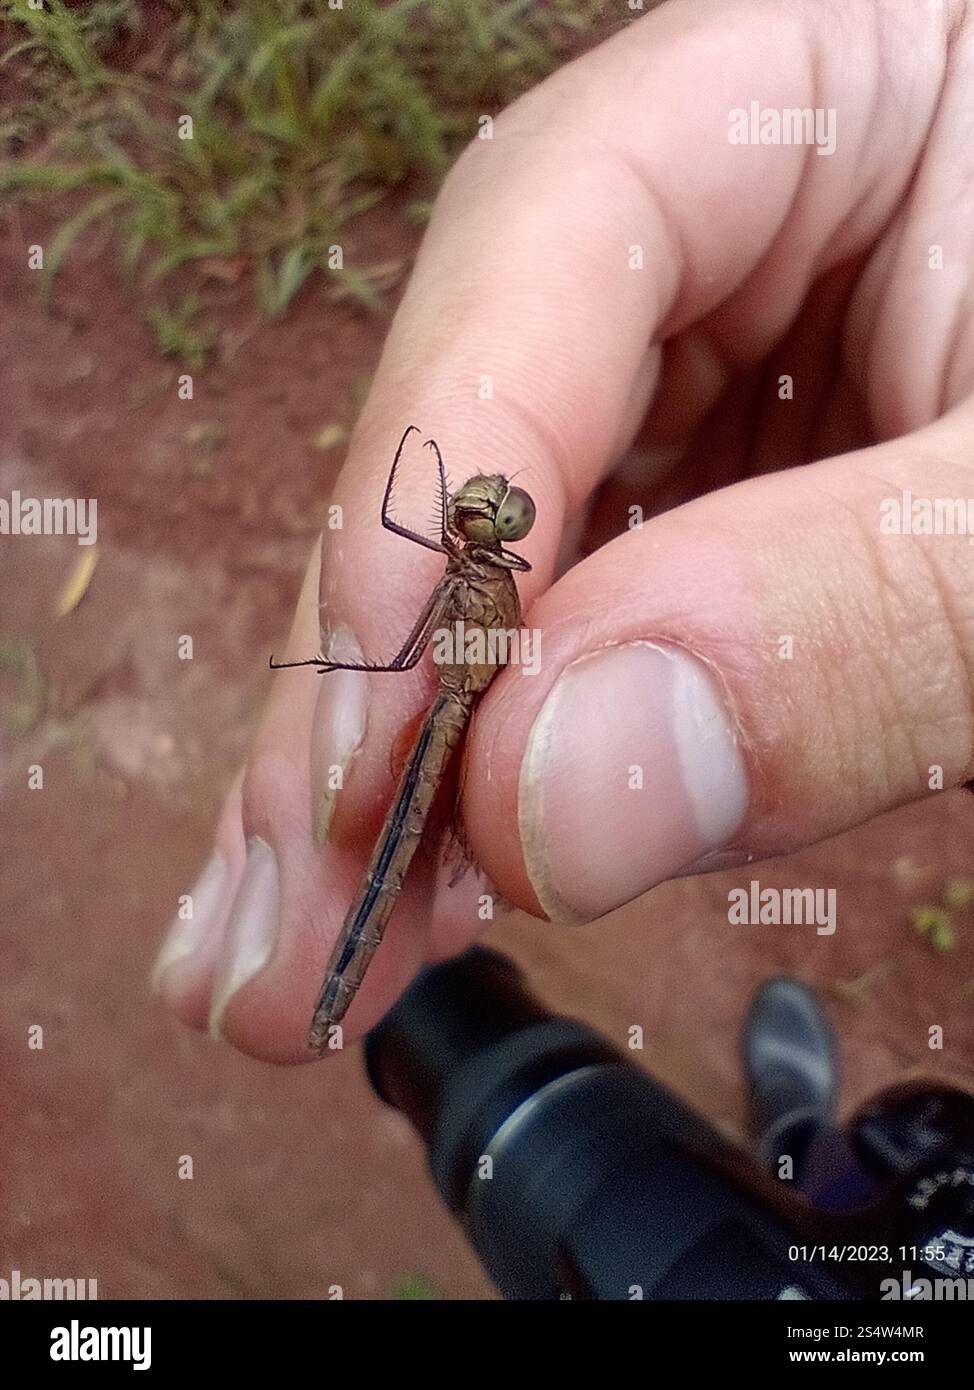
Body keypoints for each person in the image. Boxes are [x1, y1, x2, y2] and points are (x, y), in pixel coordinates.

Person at [152, 0, 974, 1062]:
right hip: (447, 699)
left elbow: (407, 559)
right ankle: (333, 996)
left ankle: (334, 995)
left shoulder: (460, 570)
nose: (466, 521)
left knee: (386, 751)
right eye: (474, 516)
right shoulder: (478, 580)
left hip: (445, 703)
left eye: (472, 518)